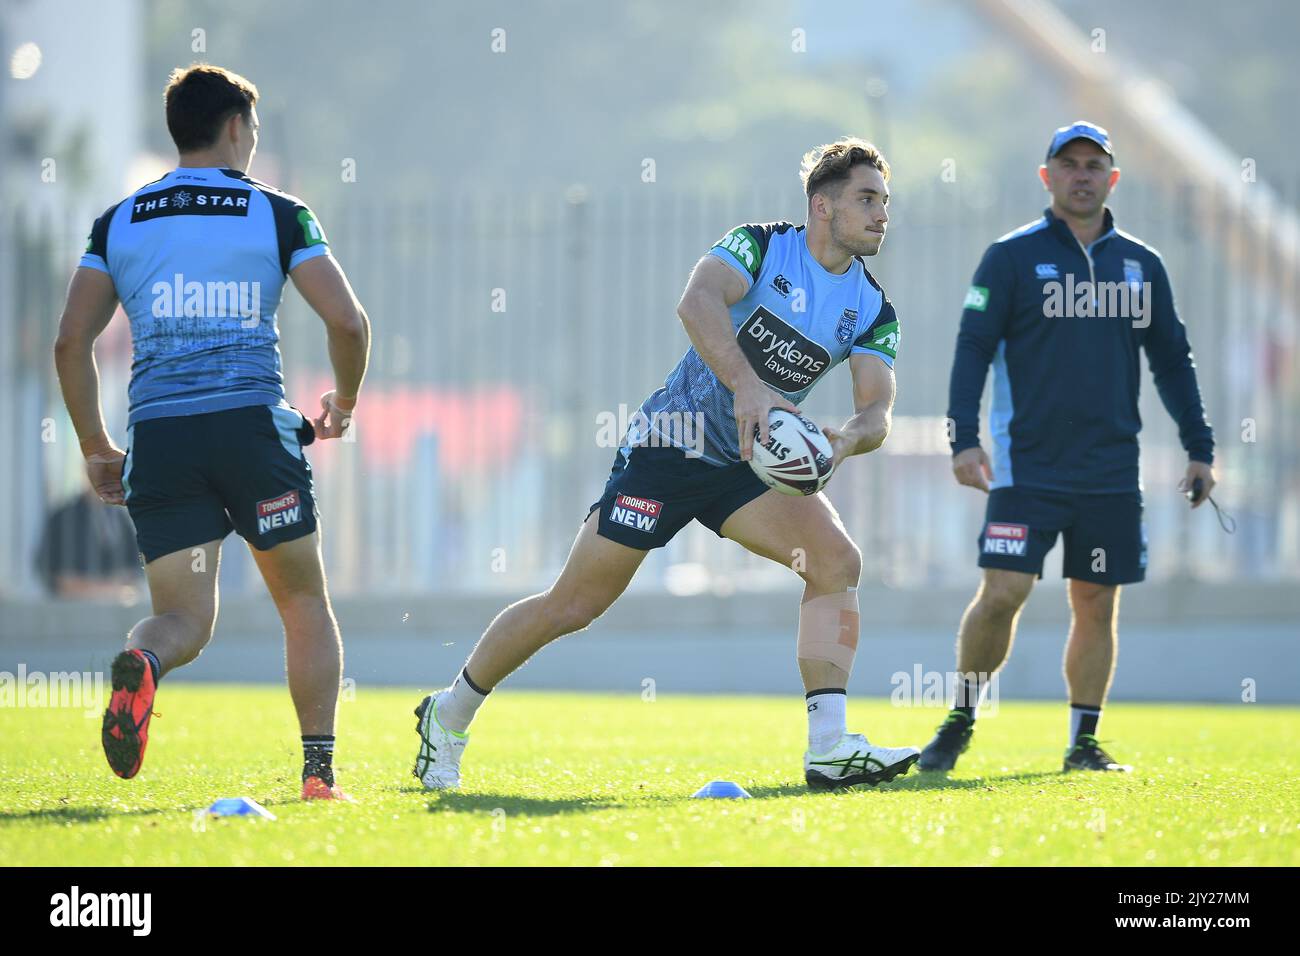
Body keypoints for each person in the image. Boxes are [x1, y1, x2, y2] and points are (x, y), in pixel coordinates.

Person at [413, 138, 919, 791]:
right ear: (823, 206)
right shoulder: (761, 246)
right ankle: (447, 716)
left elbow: (877, 408)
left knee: (836, 562)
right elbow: (697, 302)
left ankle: (828, 747)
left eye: (886, 201)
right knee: (573, 604)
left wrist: (844, 441)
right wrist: (747, 387)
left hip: (746, 465)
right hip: (669, 446)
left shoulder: (872, 306)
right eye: (867, 199)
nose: (882, 214)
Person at [53, 64, 370, 799]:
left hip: (162, 440)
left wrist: (96, 446)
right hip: (253, 434)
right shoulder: (278, 212)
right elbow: (348, 321)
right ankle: (319, 776)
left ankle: (145, 663)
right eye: (252, 130)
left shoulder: (118, 221)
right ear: (235, 126)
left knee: (181, 618)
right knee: (302, 603)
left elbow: (71, 342)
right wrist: (344, 400)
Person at [921, 121, 1216, 773]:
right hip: (1025, 467)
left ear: (1112, 178)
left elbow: (1173, 359)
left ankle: (1083, 742)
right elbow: (972, 348)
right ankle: (961, 717)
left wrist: (1200, 446)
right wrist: (963, 438)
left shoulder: (1142, 265)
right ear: (1047, 176)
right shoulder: (1010, 258)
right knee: (1003, 591)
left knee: (1097, 600)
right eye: (1069, 164)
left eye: (1094, 165)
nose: (1081, 174)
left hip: (1111, 470)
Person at [34, 487, 142, 599]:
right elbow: (49, 571)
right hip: (73, 607)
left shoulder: (120, 518)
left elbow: (135, 571)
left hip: (113, 605)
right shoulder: (62, 518)